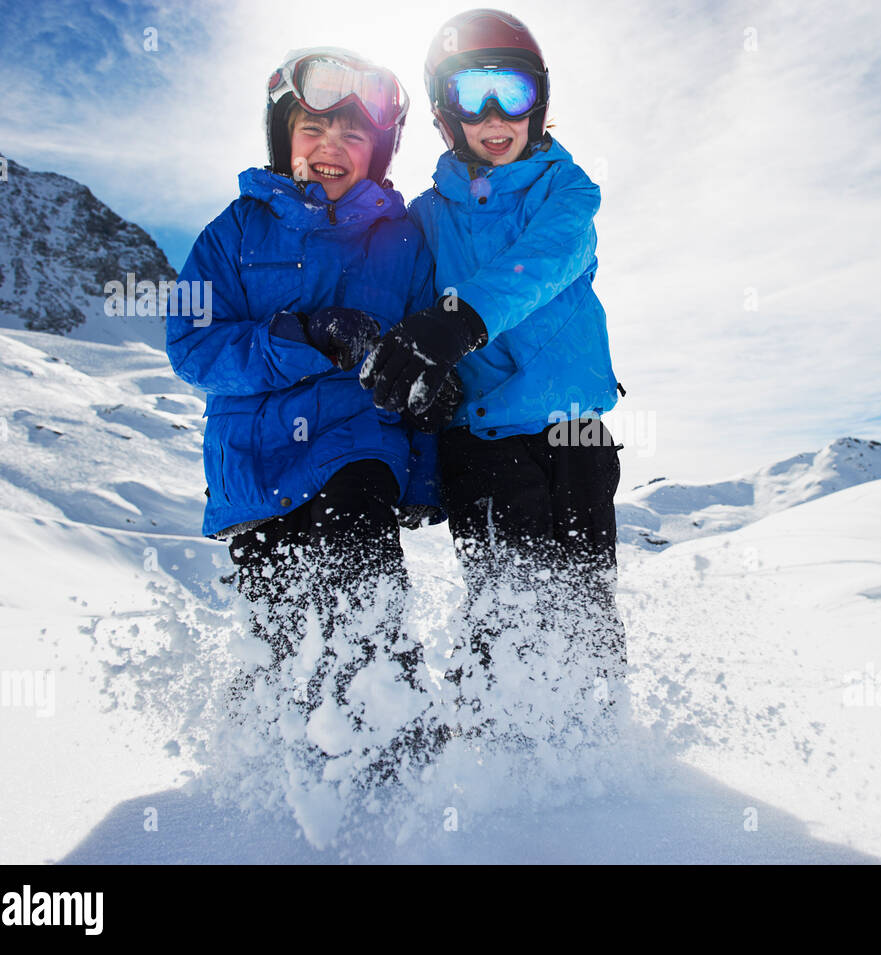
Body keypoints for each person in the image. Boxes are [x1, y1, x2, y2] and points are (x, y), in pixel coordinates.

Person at [167, 48, 449, 774]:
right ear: (282, 137)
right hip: (258, 468)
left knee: (363, 580)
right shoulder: (232, 234)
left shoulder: (402, 240)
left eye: (354, 135)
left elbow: (422, 358)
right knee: (277, 627)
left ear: (378, 153)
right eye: (314, 127)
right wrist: (303, 335)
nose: (331, 147)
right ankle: (272, 761)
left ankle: (396, 741)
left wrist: (424, 461)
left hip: (358, 447)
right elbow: (194, 348)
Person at [359, 10, 626, 725]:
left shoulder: (567, 195)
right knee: (511, 598)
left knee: (585, 598)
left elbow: (545, 263)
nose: (493, 116)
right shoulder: (427, 217)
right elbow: (407, 298)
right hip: (480, 443)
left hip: (576, 435)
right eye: (472, 96)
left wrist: (459, 322)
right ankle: (493, 741)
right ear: (447, 114)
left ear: (537, 100)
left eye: (509, 92)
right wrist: (424, 367)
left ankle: (598, 739)